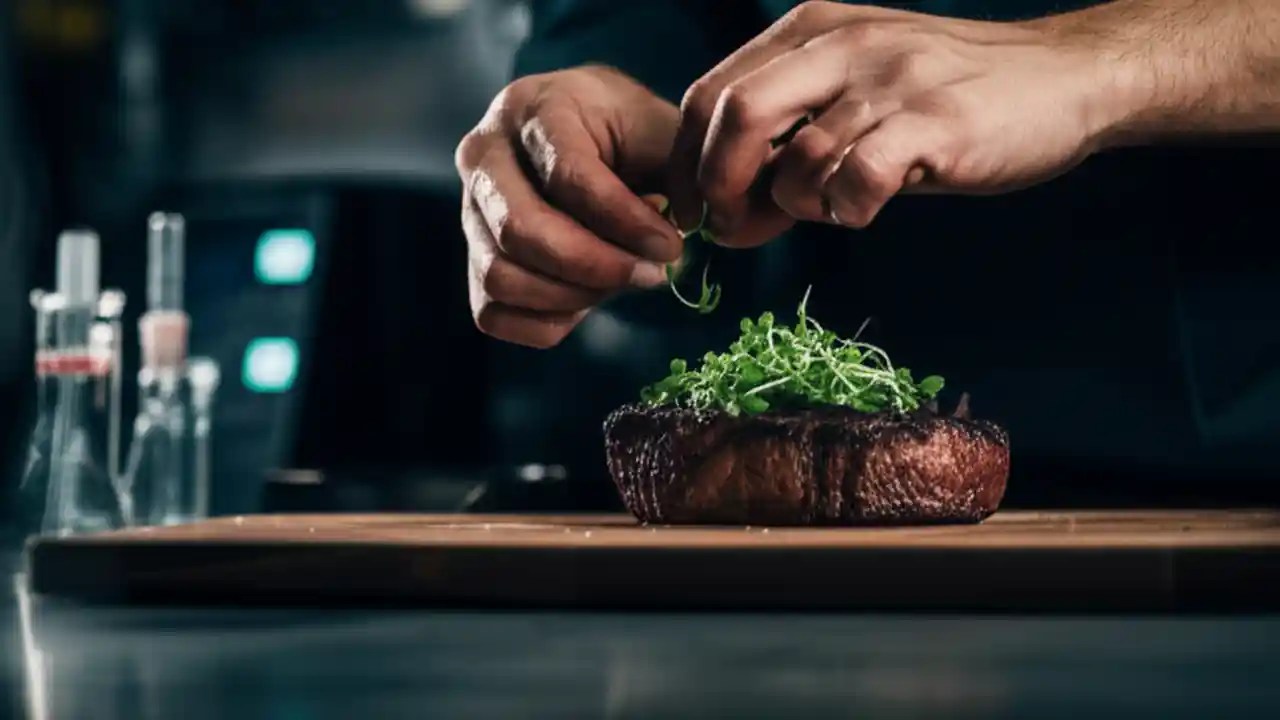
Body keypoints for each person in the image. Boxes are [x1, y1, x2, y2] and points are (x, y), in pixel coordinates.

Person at [457, 0, 1280, 496]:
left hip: (1235, 479)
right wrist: (590, 104)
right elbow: (639, 30)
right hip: (799, 500)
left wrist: (1108, 64)